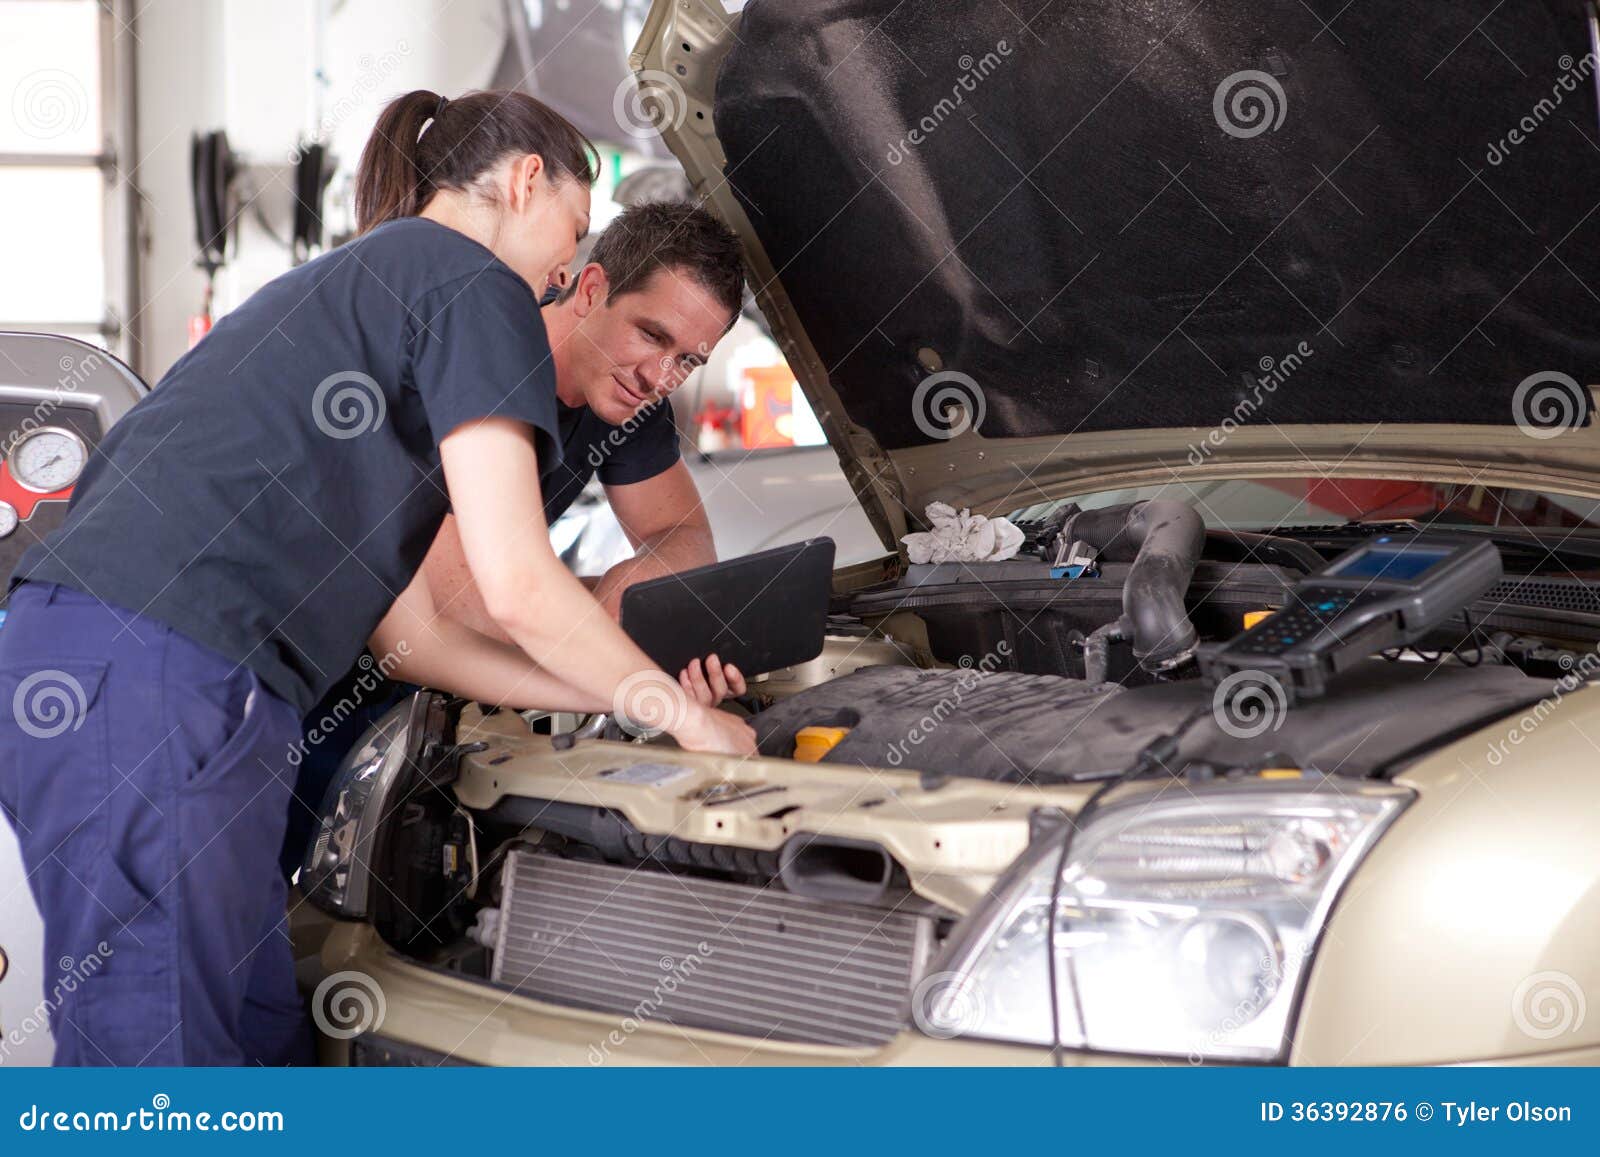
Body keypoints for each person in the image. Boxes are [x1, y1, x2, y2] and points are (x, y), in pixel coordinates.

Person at [0, 88, 755, 1067]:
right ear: (525, 182)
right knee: (158, 1067)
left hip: (156, 673)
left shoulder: (382, 279)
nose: (566, 268)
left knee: (261, 1033)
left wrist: (614, 698)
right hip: (157, 672)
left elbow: (420, 637)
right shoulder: (475, 284)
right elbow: (516, 583)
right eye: (573, 232)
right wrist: (679, 713)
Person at [281, 200, 753, 876]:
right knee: (261, 904)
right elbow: (471, 603)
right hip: (303, 676)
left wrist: (633, 590)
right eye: (651, 335)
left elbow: (680, 535)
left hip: (419, 688)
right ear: (591, 288)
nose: (659, 377)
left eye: (687, 360)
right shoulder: (484, 362)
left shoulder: (628, 397)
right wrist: (645, 680)